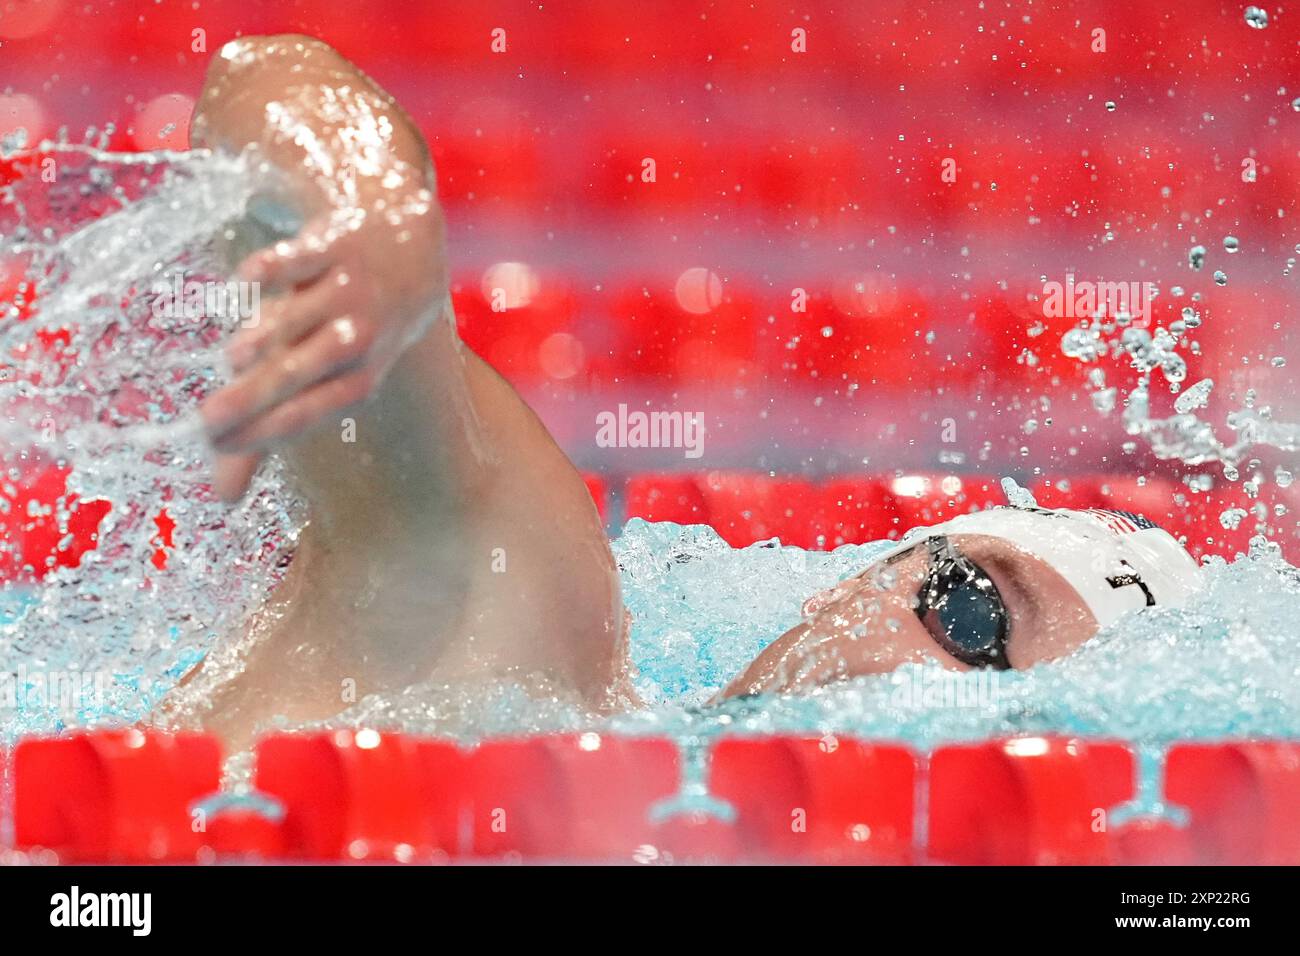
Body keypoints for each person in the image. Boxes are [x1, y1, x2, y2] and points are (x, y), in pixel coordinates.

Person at [171, 35, 1200, 748]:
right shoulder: (516, 626)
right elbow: (265, 84)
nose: (934, 701)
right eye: (966, 612)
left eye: (1019, 725)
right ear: (855, 579)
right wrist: (364, 221)